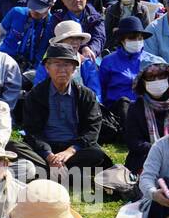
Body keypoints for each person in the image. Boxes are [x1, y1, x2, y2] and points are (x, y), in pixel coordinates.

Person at [20, 44, 111, 175]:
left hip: (74, 149)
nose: (62, 69)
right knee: (15, 147)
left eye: (67, 64)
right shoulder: (36, 95)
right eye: (57, 64)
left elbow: (92, 129)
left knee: (97, 154)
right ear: (47, 68)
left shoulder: (86, 94)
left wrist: (70, 151)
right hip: (45, 146)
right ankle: (63, 170)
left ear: (74, 68)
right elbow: (32, 130)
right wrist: (49, 155)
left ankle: (50, 171)